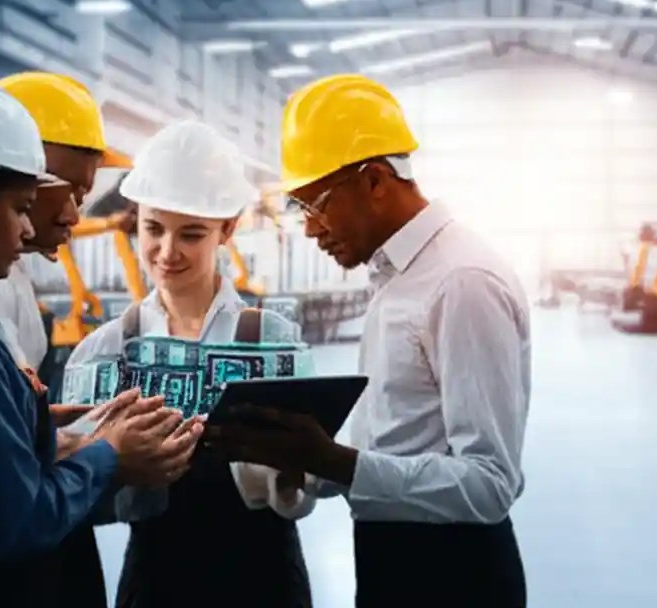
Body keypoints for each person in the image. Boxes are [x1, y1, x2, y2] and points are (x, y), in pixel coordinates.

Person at [206, 74, 531, 607]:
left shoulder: (461, 282)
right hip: (393, 558)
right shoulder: (396, 278)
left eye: (316, 206)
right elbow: (395, 439)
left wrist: (336, 462)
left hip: (454, 573)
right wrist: (299, 460)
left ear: (376, 181)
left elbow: (490, 484)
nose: (310, 230)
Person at [0, 77, 202, 607]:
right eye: (18, 208)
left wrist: (29, 427)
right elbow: (16, 523)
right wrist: (107, 454)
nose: (27, 231)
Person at [64, 119, 316, 608]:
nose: (166, 251)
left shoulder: (272, 341)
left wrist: (287, 467)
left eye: (191, 234)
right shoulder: (106, 349)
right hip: (158, 578)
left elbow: (309, 484)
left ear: (228, 228)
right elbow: (78, 491)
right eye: (153, 229)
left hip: (263, 577)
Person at [0, 71, 114, 608]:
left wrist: (41, 430)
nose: (74, 214)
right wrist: (104, 455)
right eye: (63, 191)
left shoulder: (14, 275)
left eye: (85, 195)